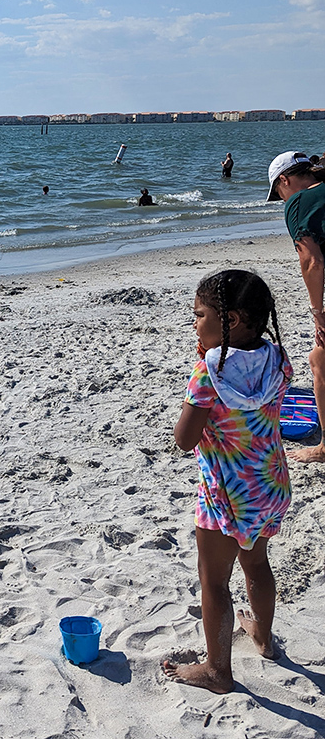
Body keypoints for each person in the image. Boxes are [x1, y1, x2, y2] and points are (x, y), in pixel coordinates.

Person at [162, 269, 292, 694]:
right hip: (268, 486)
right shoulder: (277, 358)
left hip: (226, 496)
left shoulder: (209, 374)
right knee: (256, 563)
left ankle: (218, 670)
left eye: (199, 315)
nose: (194, 323)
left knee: (214, 580)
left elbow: (184, 440)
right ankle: (263, 638)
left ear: (230, 319)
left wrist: (202, 369)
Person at [267, 150, 325, 462]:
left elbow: (311, 261)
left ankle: (324, 447)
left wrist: (318, 314)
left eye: (278, 192)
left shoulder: (298, 203)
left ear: (285, 181)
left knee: (320, 360)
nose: (282, 198)